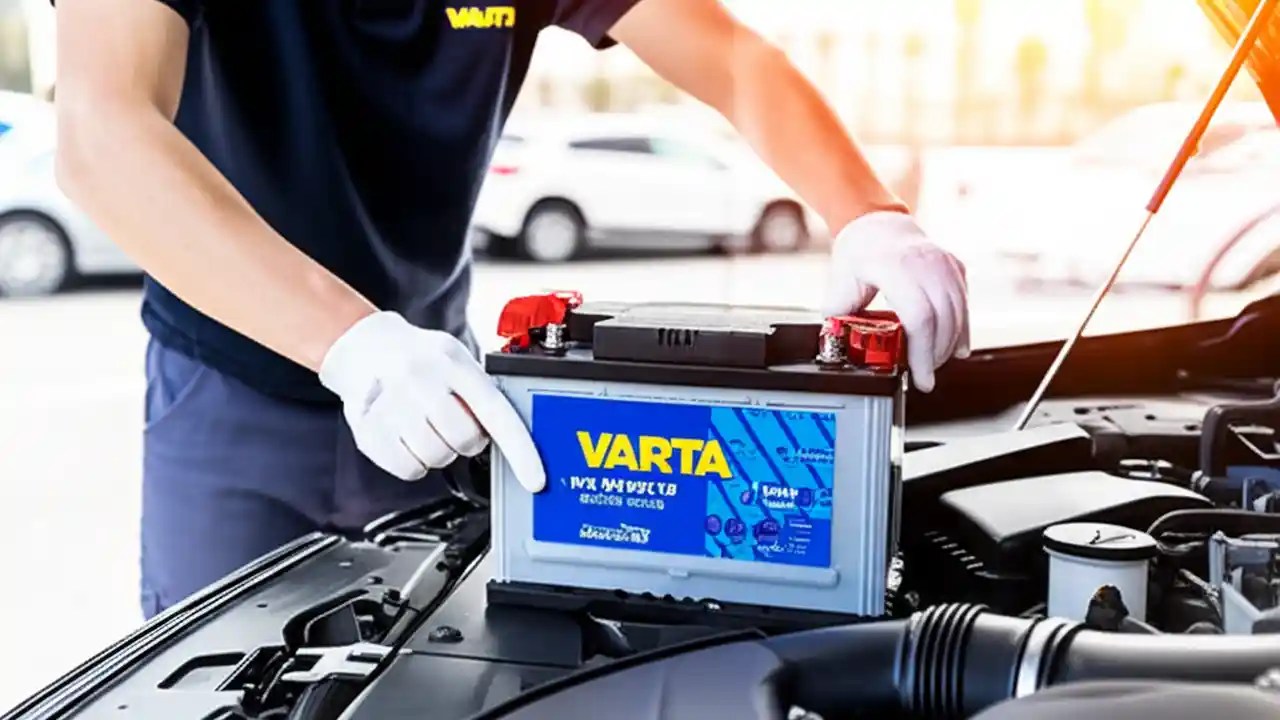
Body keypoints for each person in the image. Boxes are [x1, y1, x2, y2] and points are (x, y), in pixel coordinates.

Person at [54, 0, 970, 618]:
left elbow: (730, 56)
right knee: (214, 688)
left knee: (435, 680)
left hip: (440, 395)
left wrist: (870, 214)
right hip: (231, 383)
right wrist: (352, 345)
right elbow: (103, 130)